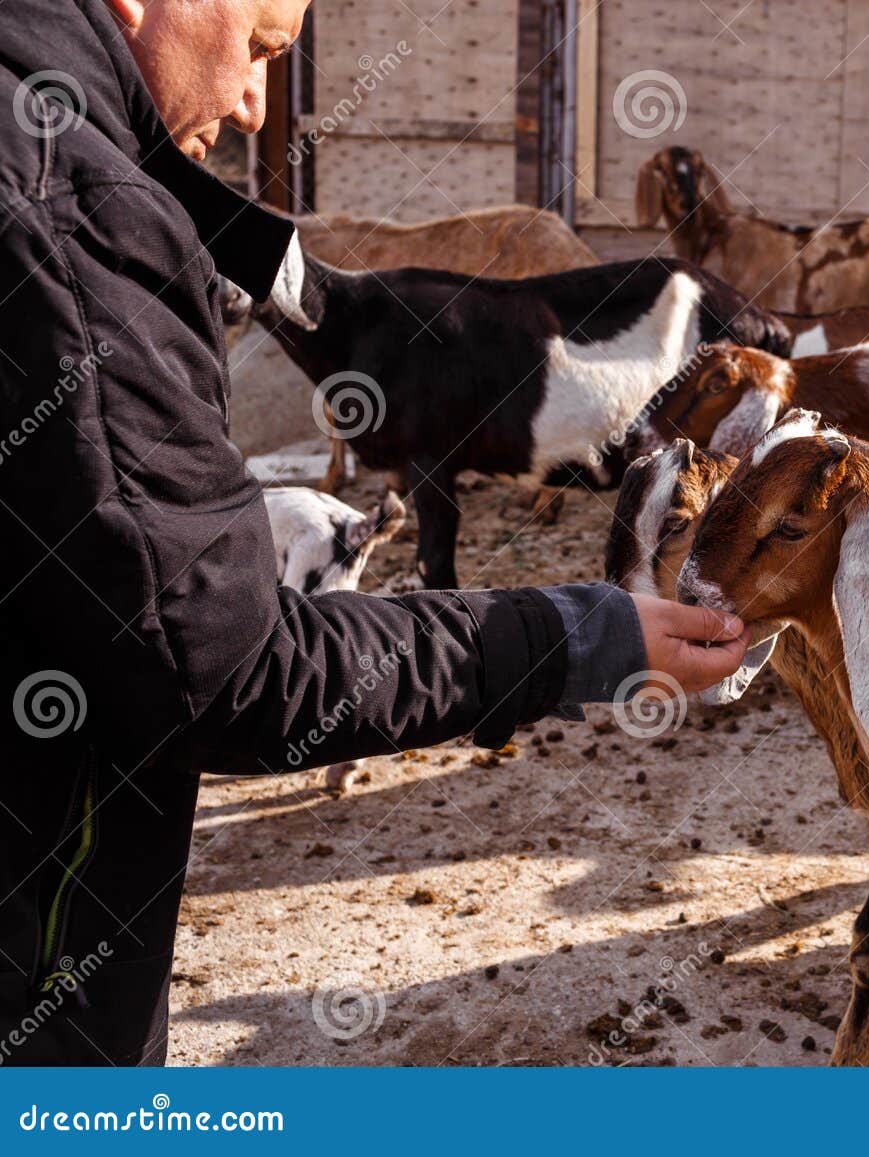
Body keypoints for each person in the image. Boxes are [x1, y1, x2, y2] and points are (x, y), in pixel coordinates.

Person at [0, 0, 748, 1065]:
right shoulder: (71, 219)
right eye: (258, 48)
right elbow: (224, 670)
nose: (257, 106)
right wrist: (579, 635)